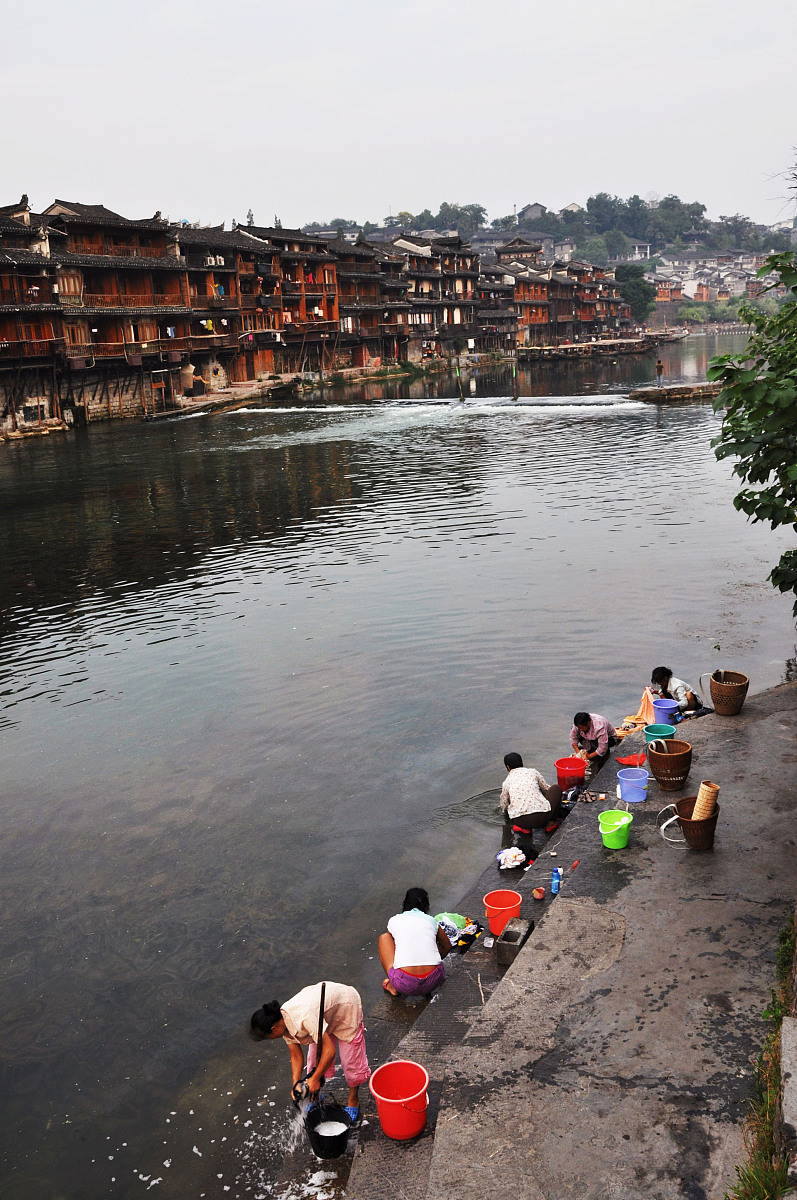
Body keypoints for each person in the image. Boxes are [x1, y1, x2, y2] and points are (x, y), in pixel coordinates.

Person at [250, 981, 369, 1122]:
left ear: (273, 1029)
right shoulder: (282, 1024)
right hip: (322, 1017)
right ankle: (316, 1095)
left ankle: (353, 1099)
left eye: (268, 1037)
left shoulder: (303, 1018)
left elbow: (329, 1051)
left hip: (344, 1006)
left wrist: (314, 1079)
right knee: (313, 1062)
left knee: (350, 1061)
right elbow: (295, 1055)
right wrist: (296, 1083)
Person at [378, 887, 452, 997]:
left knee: (384, 938)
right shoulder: (431, 920)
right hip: (435, 980)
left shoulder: (394, 920)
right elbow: (447, 946)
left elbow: (393, 945)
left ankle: (393, 986)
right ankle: (428, 968)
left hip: (405, 984)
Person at [500, 752, 561, 835]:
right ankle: (550, 825)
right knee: (556, 788)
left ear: (508, 767)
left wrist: (506, 814)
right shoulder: (533, 772)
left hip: (519, 821)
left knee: (511, 800)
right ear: (522, 763)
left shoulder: (506, 782)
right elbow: (546, 789)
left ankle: (525, 828)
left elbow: (504, 804)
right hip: (542, 818)